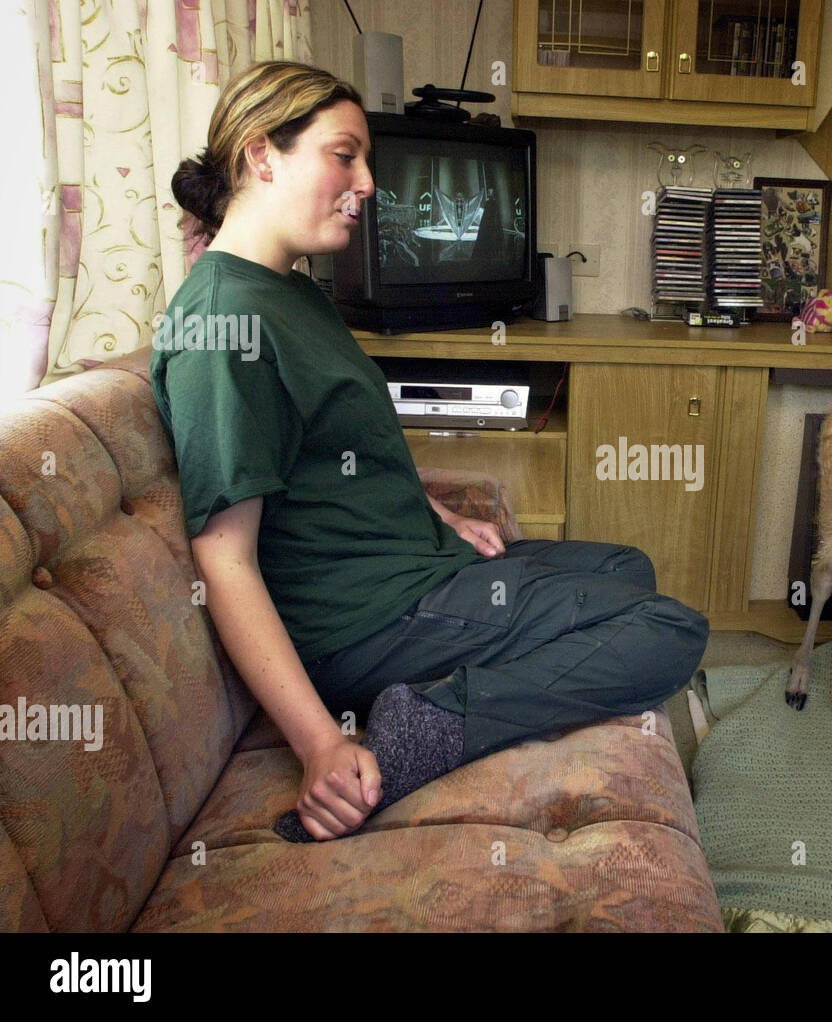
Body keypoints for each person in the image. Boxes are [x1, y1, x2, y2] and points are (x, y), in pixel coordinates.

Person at [152, 61, 709, 843]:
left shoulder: (295, 291)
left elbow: (346, 449)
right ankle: (431, 721)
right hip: (368, 624)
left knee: (627, 569)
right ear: (260, 155)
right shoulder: (222, 327)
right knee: (671, 631)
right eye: (345, 155)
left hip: (415, 570)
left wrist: (438, 511)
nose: (370, 183)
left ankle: (457, 677)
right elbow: (225, 558)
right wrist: (320, 744)